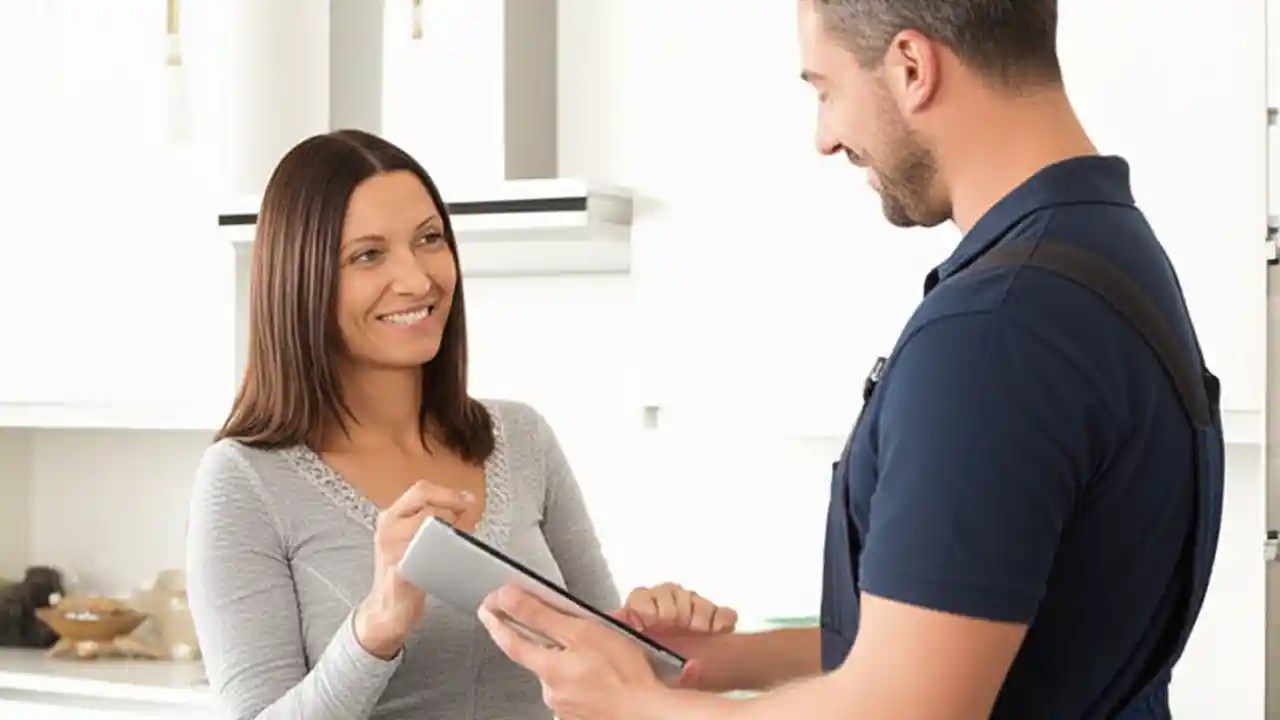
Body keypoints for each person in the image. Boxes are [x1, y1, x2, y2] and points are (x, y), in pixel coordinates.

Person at [475, 1, 1226, 718]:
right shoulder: (1110, 252)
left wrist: (639, 708)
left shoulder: (995, 333)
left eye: (826, 89)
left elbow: (907, 709)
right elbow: (978, 637)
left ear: (910, 66)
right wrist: (727, 661)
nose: (825, 137)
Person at [184, 129, 732, 719]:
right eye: (368, 254)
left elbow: (610, 682)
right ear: (301, 278)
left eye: (429, 239)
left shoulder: (522, 439)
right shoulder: (245, 480)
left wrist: (661, 647)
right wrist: (376, 627)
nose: (418, 280)